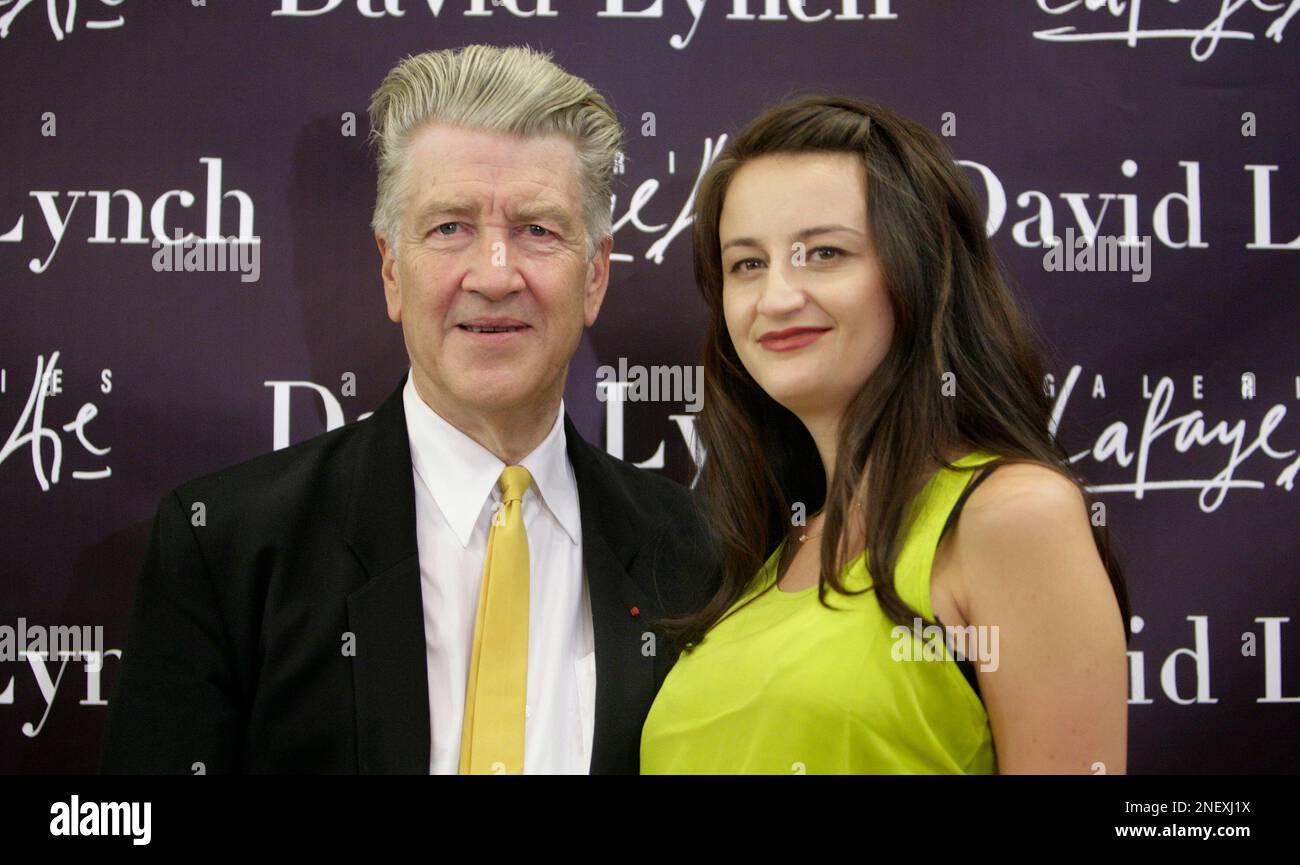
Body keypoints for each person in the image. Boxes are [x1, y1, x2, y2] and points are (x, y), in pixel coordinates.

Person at [100, 44, 716, 775]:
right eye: (451, 226)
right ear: (393, 269)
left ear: (595, 277)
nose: (494, 274)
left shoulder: (695, 552)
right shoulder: (226, 548)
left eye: (537, 230)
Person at [640, 94, 1132, 774]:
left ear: (920, 272)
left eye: (825, 252)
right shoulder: (763, 554)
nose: (778, 295)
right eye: (747, 263)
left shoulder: (1011, 516)